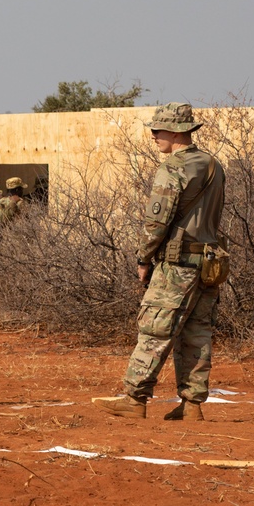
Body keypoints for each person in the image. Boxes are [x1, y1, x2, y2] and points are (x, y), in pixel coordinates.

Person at [93, 103, 225, 422]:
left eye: (158, 129)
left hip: (178, 262)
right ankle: (192, 405)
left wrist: (144, 258)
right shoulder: (213, 164)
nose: (153, 135)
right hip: (210, 260)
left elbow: (157, 222)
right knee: (197, 331)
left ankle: (134, 398)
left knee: (155, 328)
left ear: (177, 131)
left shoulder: (173, 168)